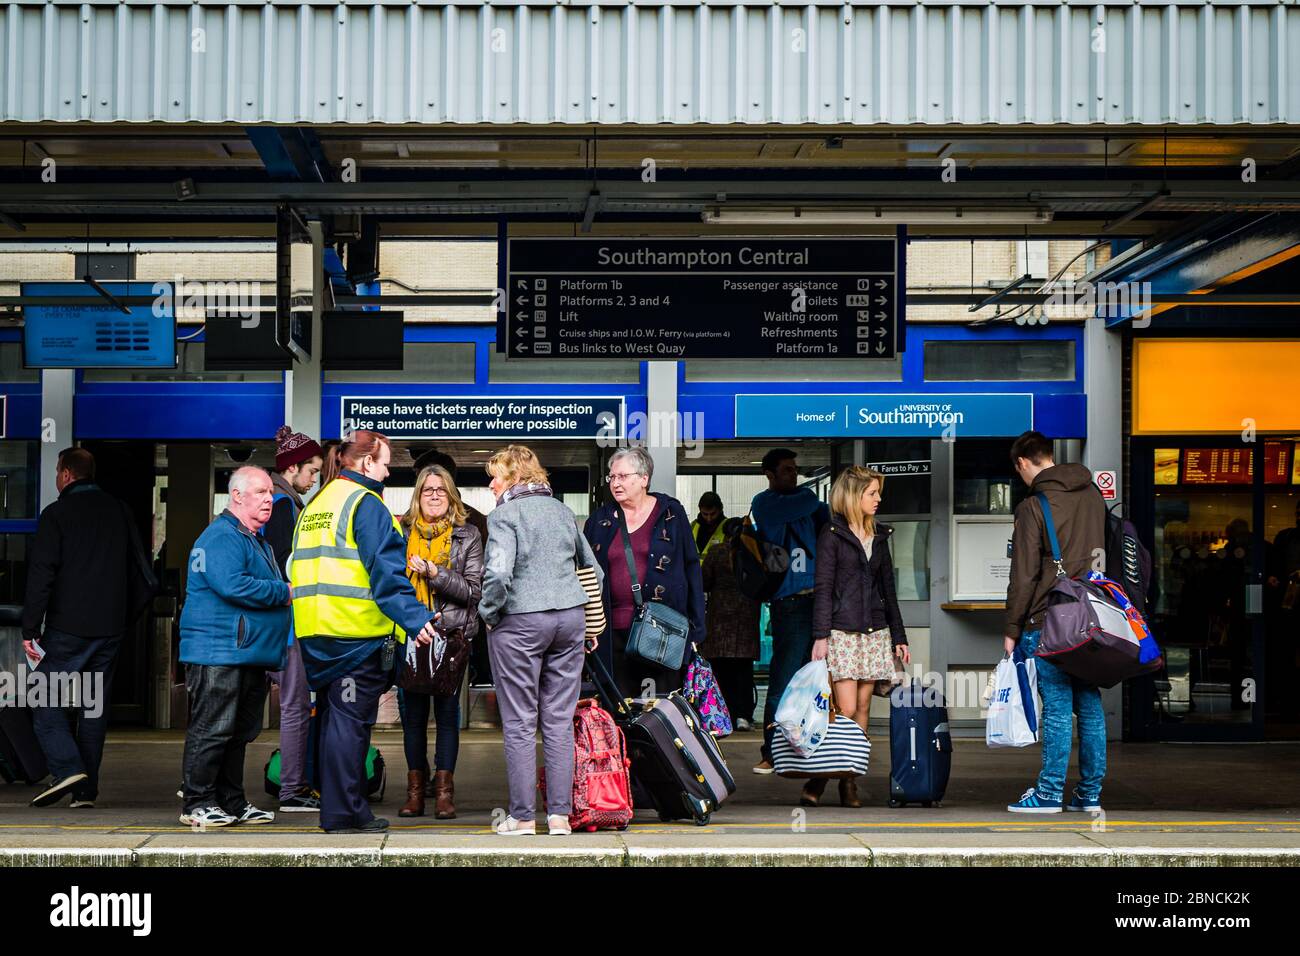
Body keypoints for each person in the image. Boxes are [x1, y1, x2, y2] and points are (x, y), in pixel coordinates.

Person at [290, 431, 441, 834]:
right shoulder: (366, 505)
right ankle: (343, 813)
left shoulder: (316, 504)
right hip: (353, 634)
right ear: (366, 462)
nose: (389, 471)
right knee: (349, 725)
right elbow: (385, 574)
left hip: (314, 632)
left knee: (329, 721)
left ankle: (341, 806)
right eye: (386, 463)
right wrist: (414, 618)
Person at [478, 444, 601, 836]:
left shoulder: (504, 515)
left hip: (520, 621)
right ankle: (560, 818)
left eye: (495, 476)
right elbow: (593, 571)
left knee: (518, 722)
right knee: (559, 721)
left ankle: (524, 817)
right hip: (570, 620)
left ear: (513, 478)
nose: (491, 485)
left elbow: (498, 574)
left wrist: (489, 613)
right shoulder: (563, 512)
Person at [22, 447, 154, 809]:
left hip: (67, 628)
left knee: (43, 696)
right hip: (110, 630)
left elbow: (41, 575)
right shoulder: (120, 511)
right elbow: (142, 573)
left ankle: (67, 768)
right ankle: (85, 791)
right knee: (92, 709)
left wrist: (29, 628)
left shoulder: (56, 514)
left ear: (65, 473)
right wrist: (124, 619)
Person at [178, 467, 290, 828]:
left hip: (245, 651)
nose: (268, 499)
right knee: (213, 728)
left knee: (238, 733)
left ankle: (230, 801)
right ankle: (198, 802)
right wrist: (284, 592)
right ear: (237, 496)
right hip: (218, 650)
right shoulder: (222, 537)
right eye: (259, 492)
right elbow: (235, 586)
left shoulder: (255, 539)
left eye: (270, 493)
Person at [1004, 431, 1106, 814]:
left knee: (1059, 707)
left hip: (1050, 621)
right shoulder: (1093, 495)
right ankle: (1089, 793)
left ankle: (1048, 794)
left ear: (1023, 463)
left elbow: (1024, 575)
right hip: (1093, 618)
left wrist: (1012, 628)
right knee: (1090, 705)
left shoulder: (1033, 506)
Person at [809, 466, 910, 808]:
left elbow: (889, 589)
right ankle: (822, 773)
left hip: (875, 633)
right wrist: (821, 635)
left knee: (864, 708)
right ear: (854, 496)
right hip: (841, 632)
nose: (878, 499)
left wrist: (899, 636)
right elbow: (822, 589)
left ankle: (848, 781)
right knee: (846, 708)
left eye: (878, 493)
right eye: (872, 493)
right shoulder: (832, 534)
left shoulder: (879, 535)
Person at [584, 446, 706, 700]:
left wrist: (696, 627)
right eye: (612, 477)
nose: (615, 483)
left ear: (644, 479)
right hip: (611, 631)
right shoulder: (599, 520)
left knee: (660, 707)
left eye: (623, 476)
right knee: (618, 708)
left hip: (662, 631)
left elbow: (691, 567)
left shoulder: (670, 514)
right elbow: (585, 575)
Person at [397, 463, 483, 819]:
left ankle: (444, 792)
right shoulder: (400, 532)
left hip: (451, 638)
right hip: (410, 636)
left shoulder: (469, 535)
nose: (434, 495)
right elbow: (390, 585)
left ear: (451, 496)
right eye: (427, 489)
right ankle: (416, 790)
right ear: (418, 496)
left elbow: (473, 591)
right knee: (412, 717)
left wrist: (435, 573)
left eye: (440, 489)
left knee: (447, 716)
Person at [750, 448, 830, 775]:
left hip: (819, 601)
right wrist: (813, 499)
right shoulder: (764, 503)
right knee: (784, 678)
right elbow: (810, 505)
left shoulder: (808, 502)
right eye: (785, 470)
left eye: (795, 469)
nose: (793, 474)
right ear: (769, 474)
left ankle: (812, 744)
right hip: (790, 603)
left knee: (817, 679)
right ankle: (771, 751)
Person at [262, 424, 324, 813]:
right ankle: (293, 789)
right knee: (295, 704)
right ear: (292, 468)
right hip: (286, 619)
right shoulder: (284, 506)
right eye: (312, 470)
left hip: (262, 619)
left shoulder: (270, 500)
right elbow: (289, 566)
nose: (315, 478)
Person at [698, 516, 760, 732]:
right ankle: (743, 715)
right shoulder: (752, 551)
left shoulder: (716, 552)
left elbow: (704, 581)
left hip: (719, 620)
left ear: (724, 533)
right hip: (746, 617)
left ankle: (722, 715)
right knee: (743, 670)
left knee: (720, 671)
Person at [691, 491, 727, 558]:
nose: (709, 519)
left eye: (713, 514)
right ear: (700, 510)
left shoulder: (728, 527)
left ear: (720, 509)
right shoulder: (692, 526)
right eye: (705, 514)